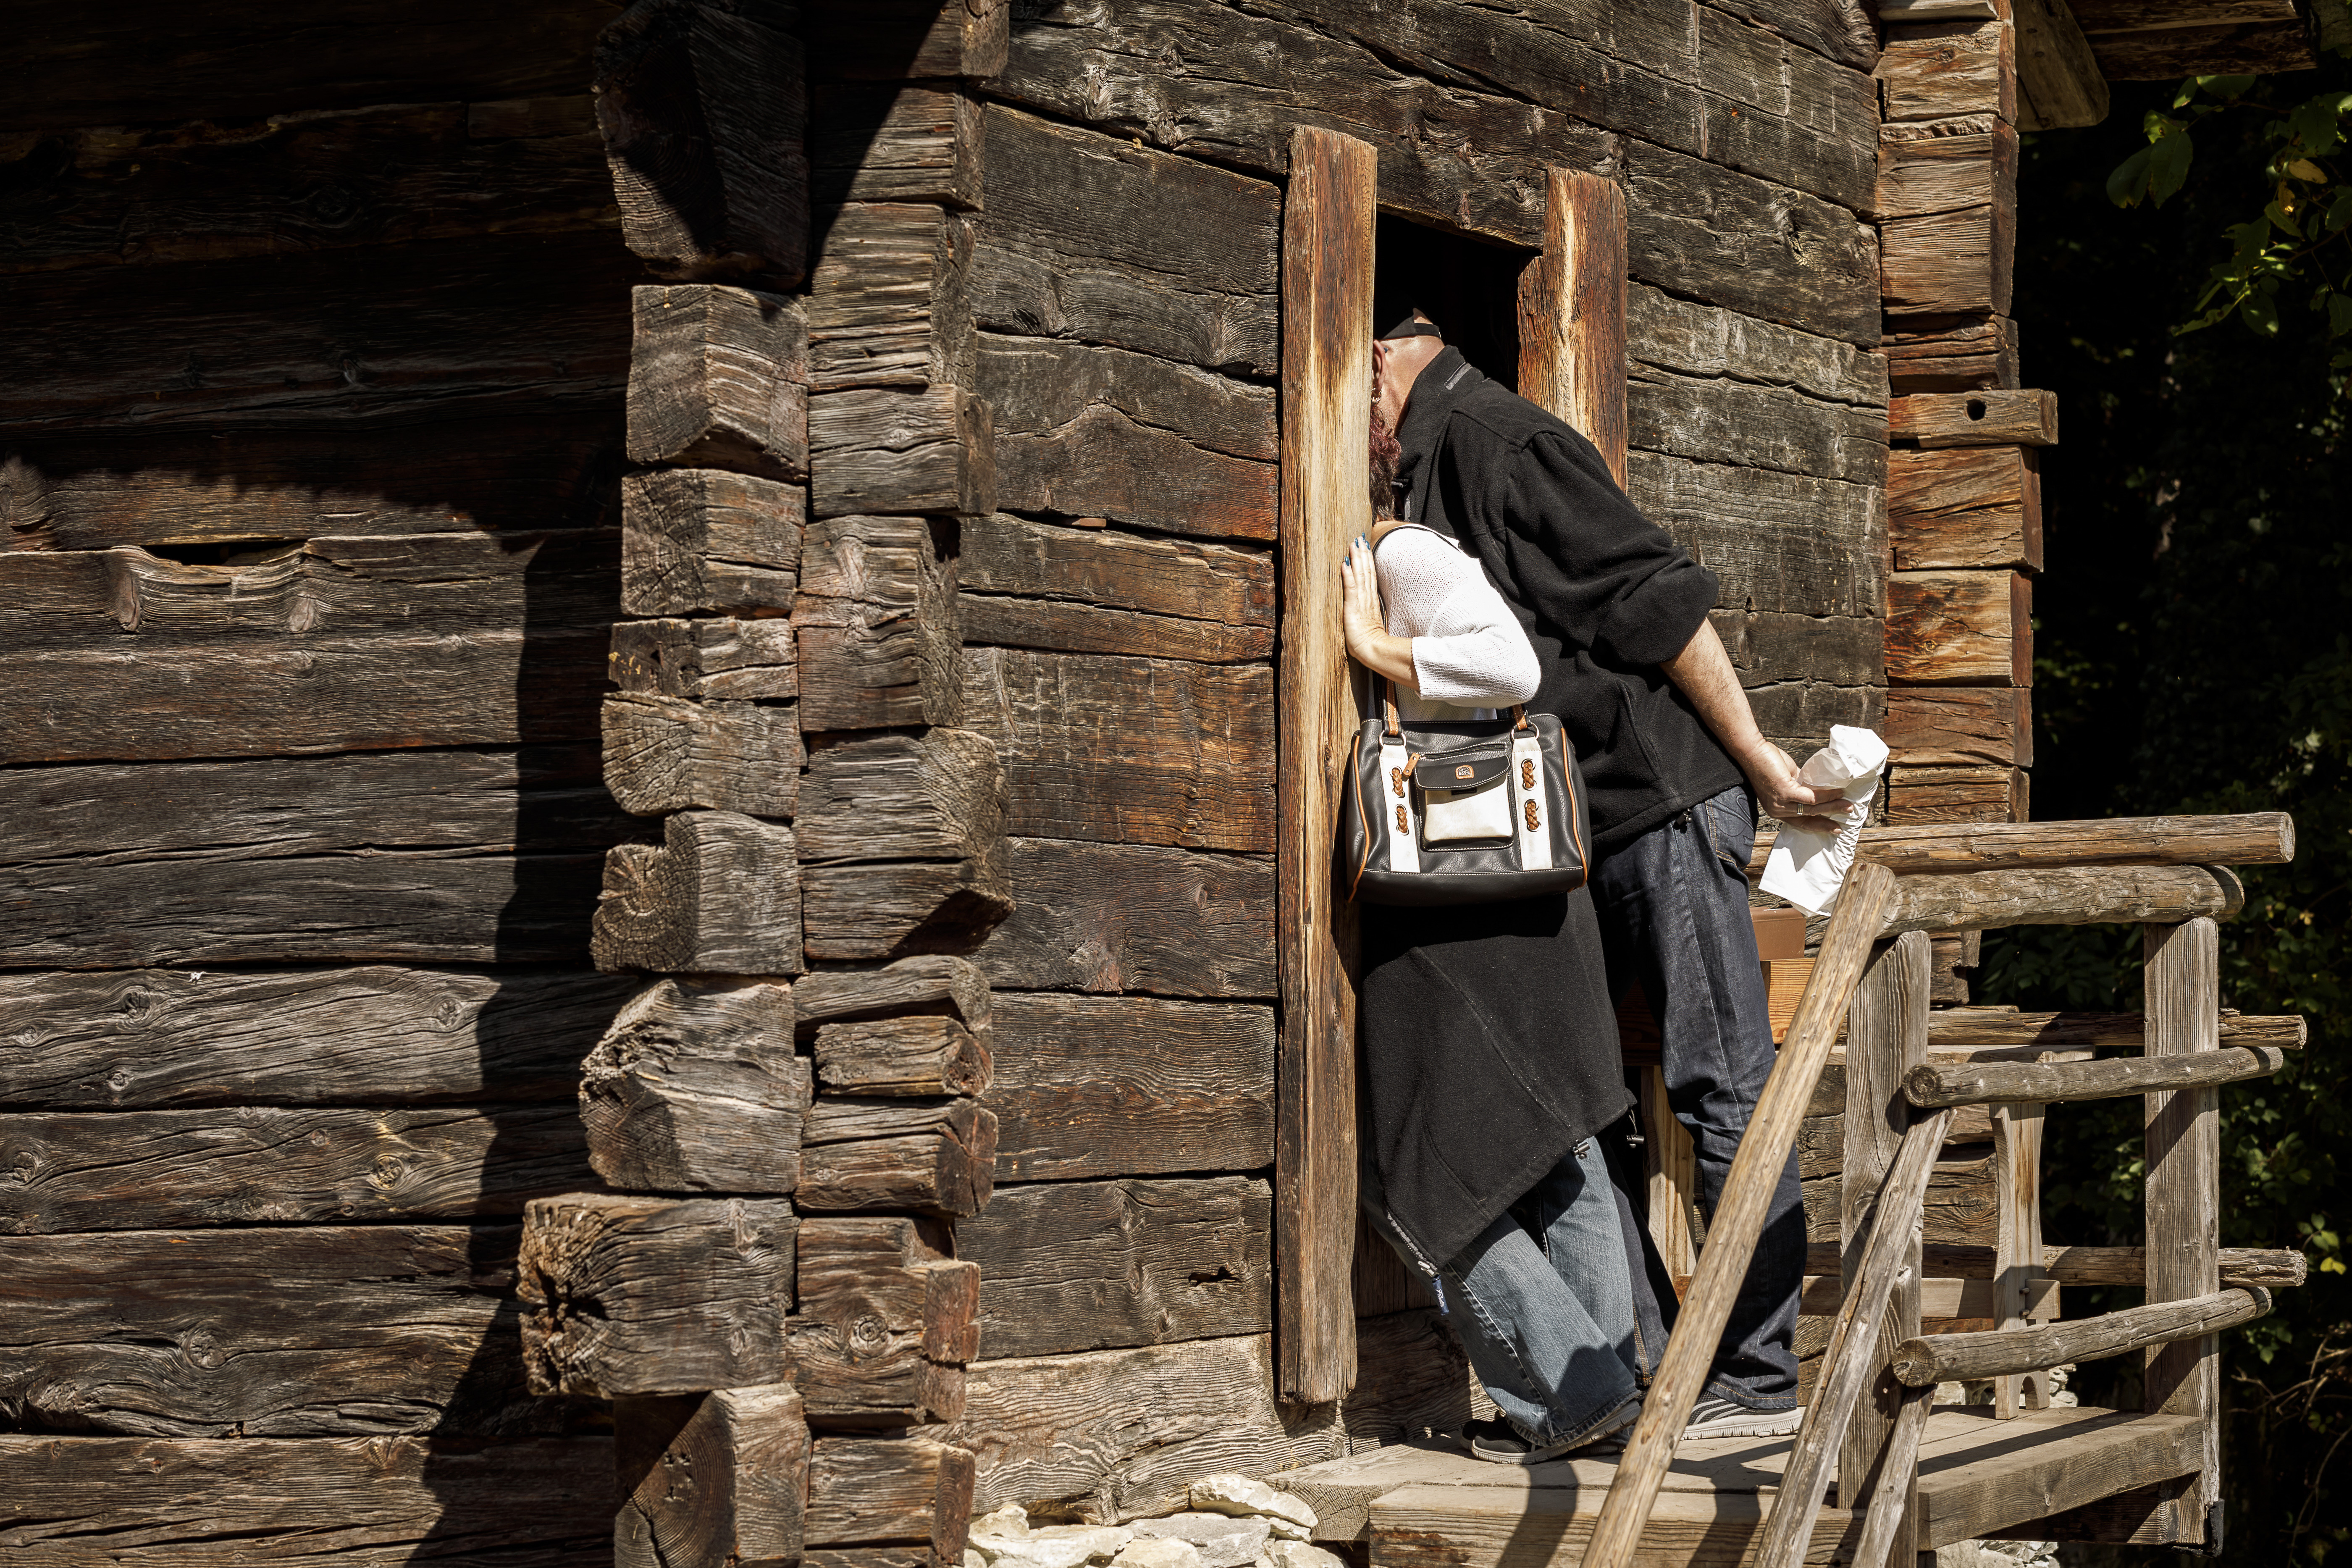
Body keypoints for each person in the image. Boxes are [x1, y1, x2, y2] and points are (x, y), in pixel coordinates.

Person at [1368, 296, 1851, 1439]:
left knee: (1720, 1084)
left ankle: (1758, 1379)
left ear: (1390, 358)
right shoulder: (1434, 466)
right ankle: (1646, 1375)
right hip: (1578, 833)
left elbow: (1661, 605)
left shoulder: (1501, 440)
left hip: (1663, 803)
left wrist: (1761, 763)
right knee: (1600, 1099)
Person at [1345, 355, 1644, 1466]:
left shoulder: (1399, 548)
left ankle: (1576, 1400)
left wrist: (1379, 647)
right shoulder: (1392, 545)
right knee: (1553, 1151)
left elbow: (1510, 666)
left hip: (1464, 901)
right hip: (1499, 905)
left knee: (1422, 1175)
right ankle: (1612, 1392)